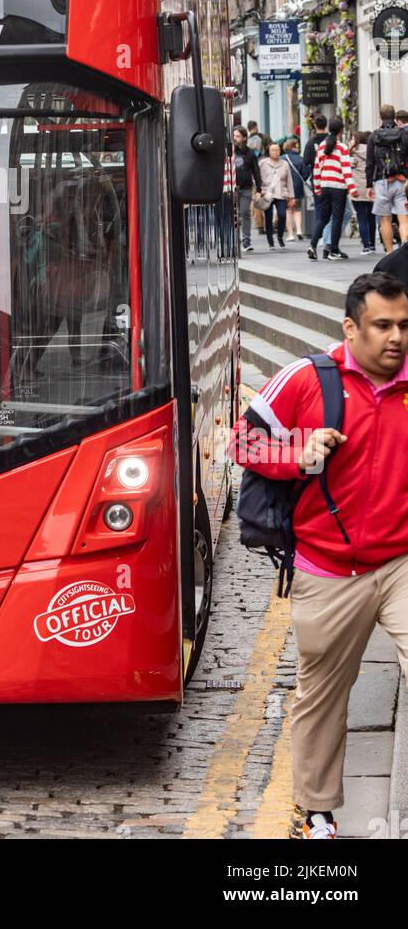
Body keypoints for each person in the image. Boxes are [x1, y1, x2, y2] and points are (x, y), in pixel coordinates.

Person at [230, 272, 408, 840]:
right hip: (326, 570)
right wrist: (298, 452)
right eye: (383, 326)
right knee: (323, 696)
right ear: (351, 327)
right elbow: (240, 442)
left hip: (400, 562)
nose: (397, 338)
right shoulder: (308, 378)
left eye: (405, 325)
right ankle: (318, 812)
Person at [308, 117, 358, 261]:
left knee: (323, 218)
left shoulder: (322, 146)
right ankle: (333, 250)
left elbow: (317, 168)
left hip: (324, 186)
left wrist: (317, 187)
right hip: (338, 188)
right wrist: (352, 187)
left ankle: (312, 246)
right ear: (341, 130)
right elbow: (346, 169)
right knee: (337, 218)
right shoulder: (342, 147)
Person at [365, 103, 408, 253]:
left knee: (385, 219)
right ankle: (405, 248)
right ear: (394, 116)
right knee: (403, 217)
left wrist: (369, 185)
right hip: (401, 179)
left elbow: (370, 162)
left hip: (381, 180)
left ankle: (389, 252)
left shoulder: (374, 136)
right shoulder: (403, 134)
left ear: (380, 117)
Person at [303, 114, 332, 252]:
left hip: (318, 178)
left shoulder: (311, 142)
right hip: (333, 178)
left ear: (315, 126)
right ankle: (329, 236)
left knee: (320, 208)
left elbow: (306, 161)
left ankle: (319, 236)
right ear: (326, 125)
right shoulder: (330, 140)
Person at [233, 126, 262, 253]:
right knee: (233, 215)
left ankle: (246, 240)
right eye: (233, 136)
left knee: (245, 213)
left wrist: (259, 190)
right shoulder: (229, 151)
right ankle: (233, 239)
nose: (235, 138)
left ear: (244, 138)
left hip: (246, 188)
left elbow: (256, 171)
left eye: (238, 136)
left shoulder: (250, 153)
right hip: (231, 188)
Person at [259, 142, 292, 248]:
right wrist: (259, 190)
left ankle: (280, 236)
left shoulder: (285, 163)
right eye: (273, 150)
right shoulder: (263, 163)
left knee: (282, 215)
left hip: (281, 193)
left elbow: (289, 180)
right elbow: (256, 177)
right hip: (267, 193)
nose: (275, 152)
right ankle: (270, 241)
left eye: (277, 150)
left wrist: (291, 195)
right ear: (268, 151)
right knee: (268, 218)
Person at [349, 132, 376, 254]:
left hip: (357, 188)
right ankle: (372, 244)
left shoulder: (352, 153)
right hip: (371, 187)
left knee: (361, 216)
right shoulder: (373, 152)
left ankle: (366, 246)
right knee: (371, 216)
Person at [282, 137, 306, 241]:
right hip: (298, 186)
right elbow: (306, 173)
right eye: (297, 146)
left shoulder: (282, 159)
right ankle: (299, 230)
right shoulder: (301, 159)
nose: (299, 148)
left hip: (286, 187)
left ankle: (291, 234)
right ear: (294, 147)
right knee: (297, 209)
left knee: (288, 211)